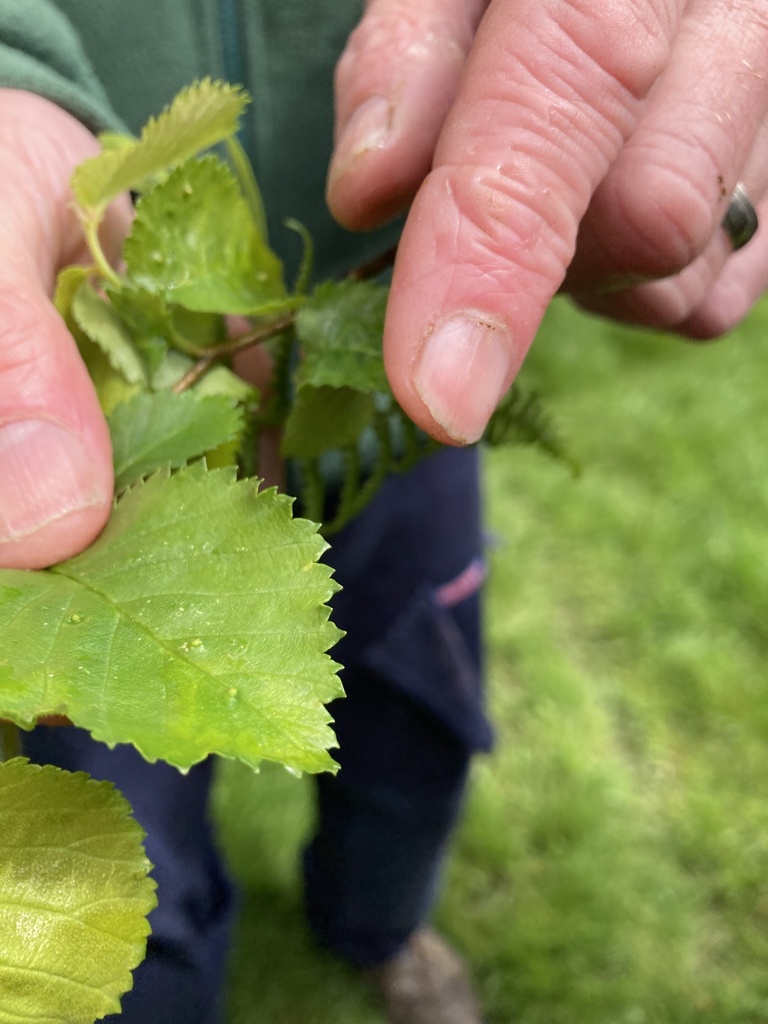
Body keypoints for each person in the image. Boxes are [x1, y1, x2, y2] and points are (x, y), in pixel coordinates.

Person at [0, 1, 765, 1022]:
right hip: (112, 469)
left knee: (417, 717)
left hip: (398, 404)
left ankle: (381, 926)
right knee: (116, 861)